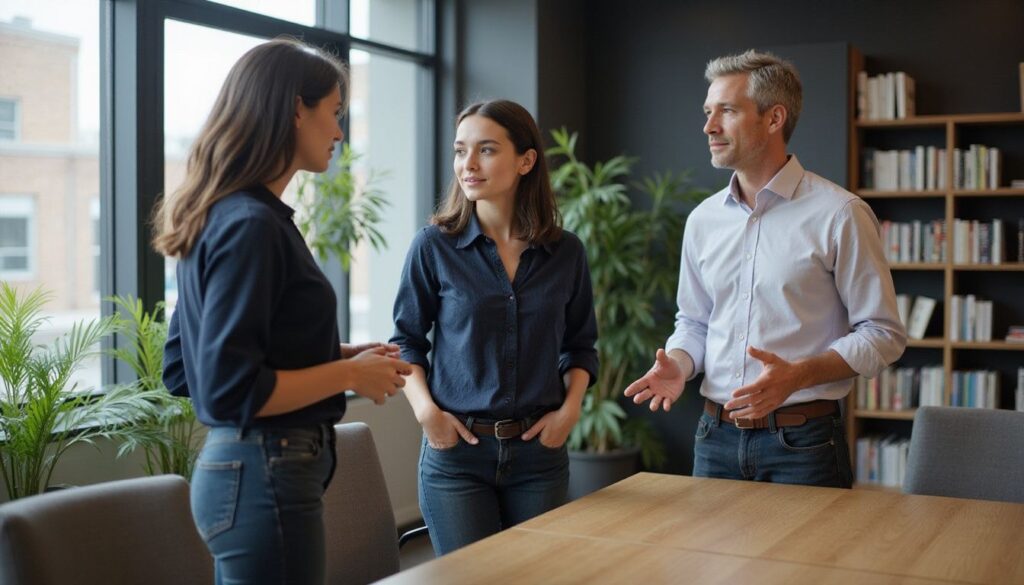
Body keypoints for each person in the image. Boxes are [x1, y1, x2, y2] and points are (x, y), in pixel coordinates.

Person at [154, 38, 412, 585]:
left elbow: (183, 368)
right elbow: (227, 388)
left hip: (248, 475)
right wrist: (347, 374)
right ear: (298, 108)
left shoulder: (227, 216)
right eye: (335, 113)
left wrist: (340, 354)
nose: (340, 132)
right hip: (265, 475)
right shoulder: (251, 225)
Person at [624, 50, 906, 488]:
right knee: (709, 560)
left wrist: (798, 375)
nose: (709, 126)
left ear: (774, 119)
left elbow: (883, 334)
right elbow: (694, 322)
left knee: (810, 560)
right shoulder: (703, 220)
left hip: (804, 444)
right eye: (707, 112)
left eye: (727, 111)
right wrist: (679, 363)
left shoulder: (840, 214)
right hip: (713, 439)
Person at [390, 99, 598, 555]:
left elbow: (581, 345)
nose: (468, 164)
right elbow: (406, 341)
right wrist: (426, 412)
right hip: (456, 456)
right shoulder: (433, 247)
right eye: (460, 150)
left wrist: (570, 411)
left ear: (526, 161)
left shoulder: (566, 253)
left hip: (538, 456)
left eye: (486, 150)